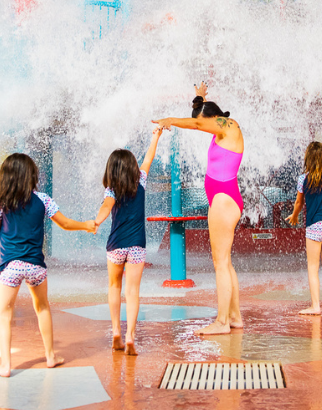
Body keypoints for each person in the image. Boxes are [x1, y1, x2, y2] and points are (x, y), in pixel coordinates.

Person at [0, 153, 96, 377]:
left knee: (4, 314)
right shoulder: (43, 200)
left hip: (11, 266)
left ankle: (5, 366)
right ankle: (51, 356)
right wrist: (86, 225)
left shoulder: (1, 202)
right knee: (42, 307)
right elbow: (64, 223)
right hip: (35, 265)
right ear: (31, 176)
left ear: (5, 177)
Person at [153, 82, 244, 335]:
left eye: (205, 123)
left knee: (220, 263)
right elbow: (199, 119)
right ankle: (234, 317)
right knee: (226, 262)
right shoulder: (219, 132)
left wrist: (169, 119)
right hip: (222, 199)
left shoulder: (231, 125)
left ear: (214, 118)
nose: (202, 128)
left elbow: (196, 123)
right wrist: (200, 97)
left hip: (225, 199)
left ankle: (222, 322)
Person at [93, 126, 164, 356]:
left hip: (116, 245)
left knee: (114, 286)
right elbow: (148, 158)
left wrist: (97, 222)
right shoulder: (140, 182)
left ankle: (116, 332)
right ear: (133, 167)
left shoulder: (111, 190)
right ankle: (131, 335)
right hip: (137, 245)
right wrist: (155, 137)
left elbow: (106, 208)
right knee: (133, 291)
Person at [286, 141, 322, 315]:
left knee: (312, 267)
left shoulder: (304, 179)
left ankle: (315, 306)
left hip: (315, 225)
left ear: (308, 159)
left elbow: (299, 202)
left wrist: (294, 216)